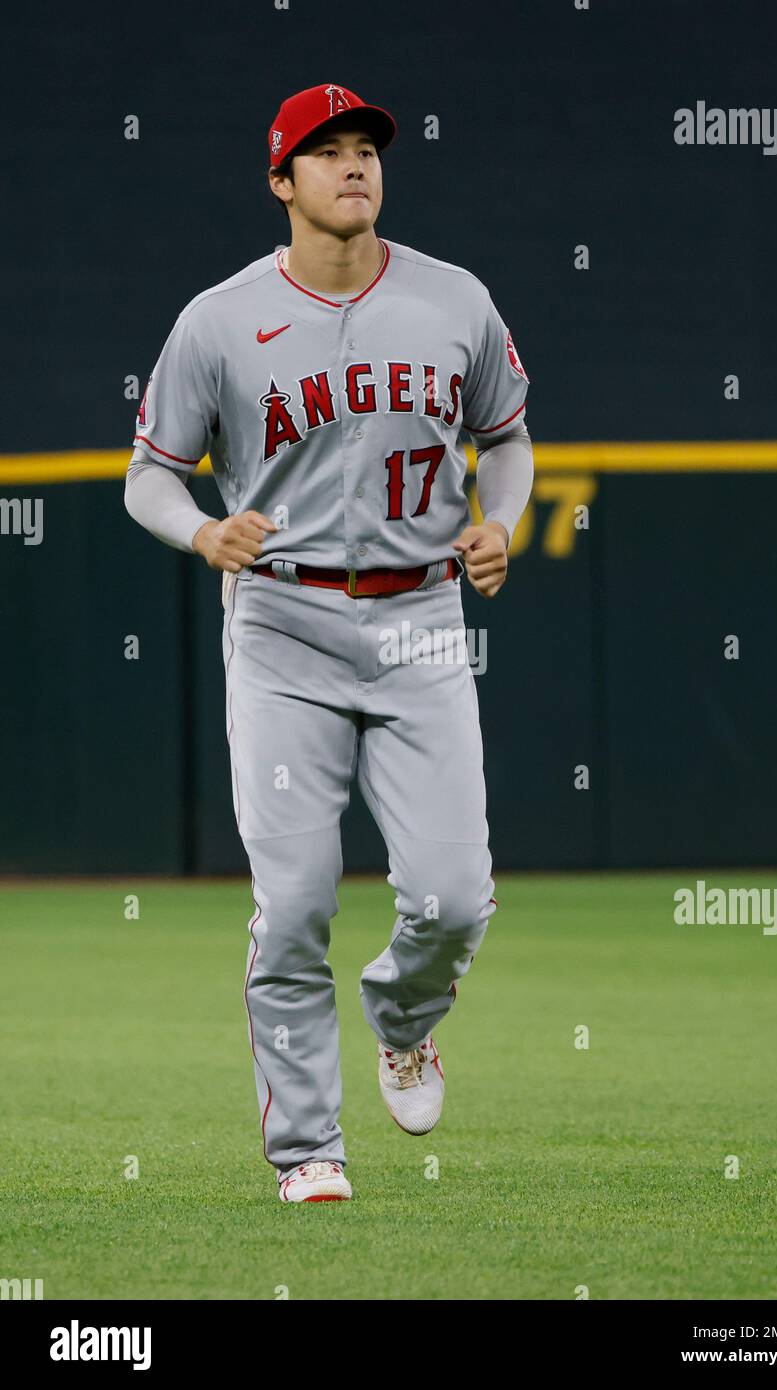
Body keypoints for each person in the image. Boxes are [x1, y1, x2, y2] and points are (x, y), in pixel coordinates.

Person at [124, 82, 534, 1204]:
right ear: (280, 182)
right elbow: (148, 473)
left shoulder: (452, 299)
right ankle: (308, 1147)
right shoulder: (218, 319)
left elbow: (506, 439)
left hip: (418, 621)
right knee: (296, 896)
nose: (352, 165)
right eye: (325, 152)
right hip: (283, 624)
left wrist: (500, 521)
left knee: (453, 898)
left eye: (365, 149)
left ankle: (403, 1014)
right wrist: (205, 527)